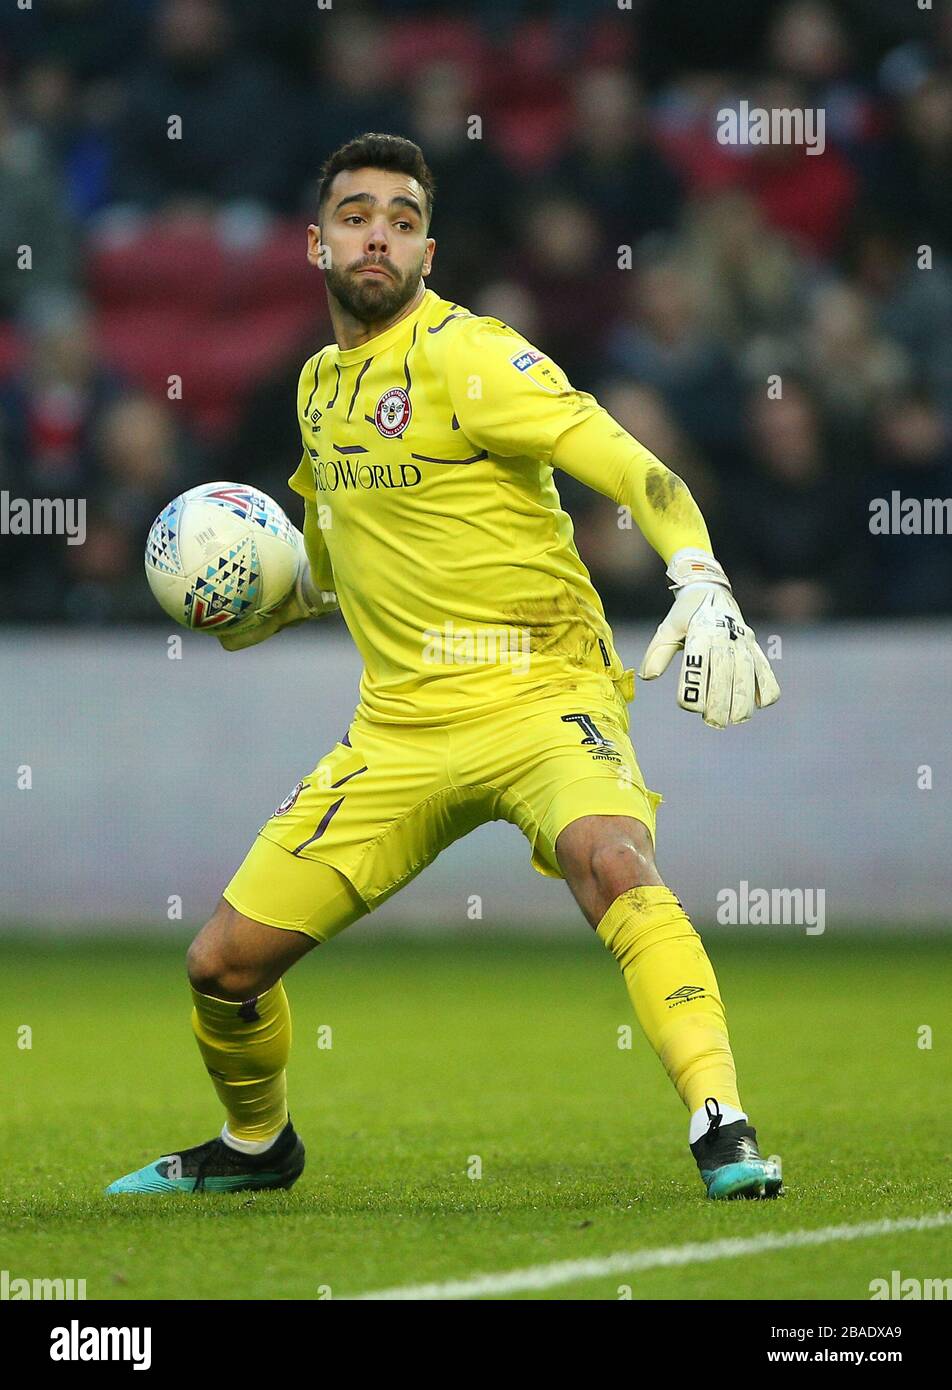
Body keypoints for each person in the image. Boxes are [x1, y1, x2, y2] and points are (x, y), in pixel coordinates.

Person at [108, 134, 782, 1201]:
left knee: (609, 858)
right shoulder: (319, 390)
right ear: (317, 240)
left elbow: (628, 463)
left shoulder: (473, 357)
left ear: (428, 249)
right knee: (222, 968)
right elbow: (332, 571)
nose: (380, 232)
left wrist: (695, 570)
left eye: (404, 218)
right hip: (400, 733)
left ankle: (720, 1118)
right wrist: (263, 605)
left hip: (540, 693)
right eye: (358, 212)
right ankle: (256, 1147)